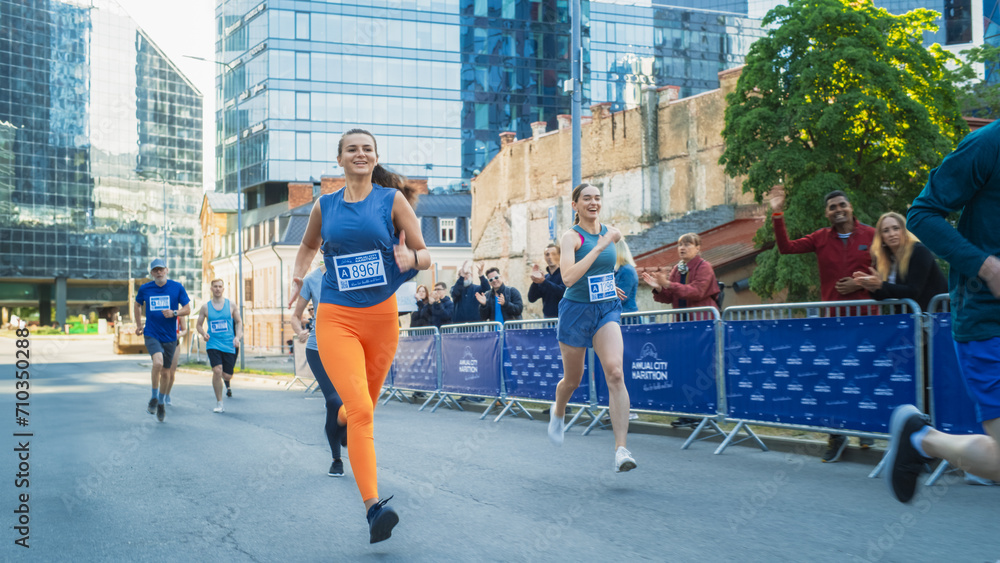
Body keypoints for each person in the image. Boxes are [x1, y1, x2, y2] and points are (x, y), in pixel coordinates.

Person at [288, 128, 429, 543]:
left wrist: (409, 257)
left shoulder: (392, 200)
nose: (360, 154)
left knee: (362, 406)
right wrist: (298, 275)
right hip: (336, 317)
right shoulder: (324, 206)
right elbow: (308, 247)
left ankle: (343, 417)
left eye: (367, 148)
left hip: (383, 318)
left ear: (375, 157)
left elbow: (425, 253)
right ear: (341, 159)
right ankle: (373, 508)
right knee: (363, 411)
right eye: (352, 149)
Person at [885, 120, 1000, 503]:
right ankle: (923, 439)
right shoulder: (987, 144)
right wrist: (987, 266)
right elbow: (922, 214)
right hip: (989, 321)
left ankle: (920, 439)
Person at [771, 190, 876, 461]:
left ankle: (867, 429)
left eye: (842, 205)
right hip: (834, 322)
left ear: (851, 208)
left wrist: (861, 282)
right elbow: (787, 248)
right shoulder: (821, 237)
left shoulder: (871, 235)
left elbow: (886, 272)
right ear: (827, 213)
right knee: (834, 378)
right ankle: (836, 436)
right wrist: (777, 213)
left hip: (868, 319)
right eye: (832, 207)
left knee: (865, 374)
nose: (838, 210)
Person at [547, 183, 637, 473]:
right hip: (575, 313)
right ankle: (558, 411)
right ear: (575, 205)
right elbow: (569, 277)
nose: (593, 202)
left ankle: (621, 449)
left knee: (615, 371)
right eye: (587, 198)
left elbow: (609, 269)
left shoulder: (613, 233)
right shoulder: (571, 237)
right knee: (572, 380)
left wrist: (610, 287)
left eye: (597, 198)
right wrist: (599, 244)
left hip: (606, 308)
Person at [640, 232, 719, 428]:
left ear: (698, 248)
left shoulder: (704, 267)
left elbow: (697, 291)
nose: (682, 247)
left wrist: (668, 284)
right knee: (686, 369)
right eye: (680, 244)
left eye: (688, 244)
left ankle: (707, 415)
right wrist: (659, 288)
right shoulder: (677, 269)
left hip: (702, 326)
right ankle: (688, 413)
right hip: (682, 326)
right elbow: (669, 297)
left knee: (702, 369)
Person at [291, 263, 348, 477]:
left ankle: (342, 427)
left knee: (349, 403)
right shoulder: (312, 279)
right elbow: (295, 316)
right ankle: (336, 459)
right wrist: (299, 332)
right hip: (317, 349)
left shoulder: (350, 269)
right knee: (334, 401)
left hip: (346, 347)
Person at [852, 212, 947, 312]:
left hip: (936, 317)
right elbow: (885, 294)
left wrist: (881, 285)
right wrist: (871, 286)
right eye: (886, 231)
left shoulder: (919, 251)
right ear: (881, 237)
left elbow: (913, 291)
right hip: (910, 319)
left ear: (904, 231)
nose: (892, 234)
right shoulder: (887, 259)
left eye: (896, 228)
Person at [134, 259, 191, 423]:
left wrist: (174, 313)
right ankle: (153, 397)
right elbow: (137, 305)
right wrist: (139, 325)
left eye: (161, 269)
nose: (159, 272)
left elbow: (187, 308)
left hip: (170, 336)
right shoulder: (145, 288)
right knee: (157, 363)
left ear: (167, 270)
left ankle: (160, 402)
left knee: (166, 372)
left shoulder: (176, 287)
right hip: (151, 332)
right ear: (151, 273)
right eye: (155, 270)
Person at [195, 279, 243, 414]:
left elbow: (239, 322)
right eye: (215, 286)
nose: (217, 289)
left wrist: (237, 337)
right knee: (217, 370)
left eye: (220, 286)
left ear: (223, 289)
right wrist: (203, 333)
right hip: (213, 343)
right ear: (211, 289)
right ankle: (219, 403)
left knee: (227, 375)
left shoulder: (231, 305)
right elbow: (198, 325)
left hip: (229, 343)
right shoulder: (205, 307)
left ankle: (224, 381)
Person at [527, 243, 566, 318]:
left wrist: (543, 282)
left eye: (554, 254)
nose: (550, 257)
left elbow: (563, 293)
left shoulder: (565, 274)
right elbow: (531, 298)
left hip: (563, 319)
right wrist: (535, 281)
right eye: (547, 254)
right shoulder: (545, 278)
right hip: (547, 321)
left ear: (560, 256)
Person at [159, 315, 187, 406]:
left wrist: (180, 334)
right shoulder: (162, 312)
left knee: (172, 372)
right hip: (163, 342)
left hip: (175, 343)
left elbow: (185, 329)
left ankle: (167, 394)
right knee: (164, 372)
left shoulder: (179, 314)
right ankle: (161, 394)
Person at [614, 239, 639, 315]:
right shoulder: (618, 269)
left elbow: (622, 296)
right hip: (621, 313)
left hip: (627, 315)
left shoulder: (627, 270)